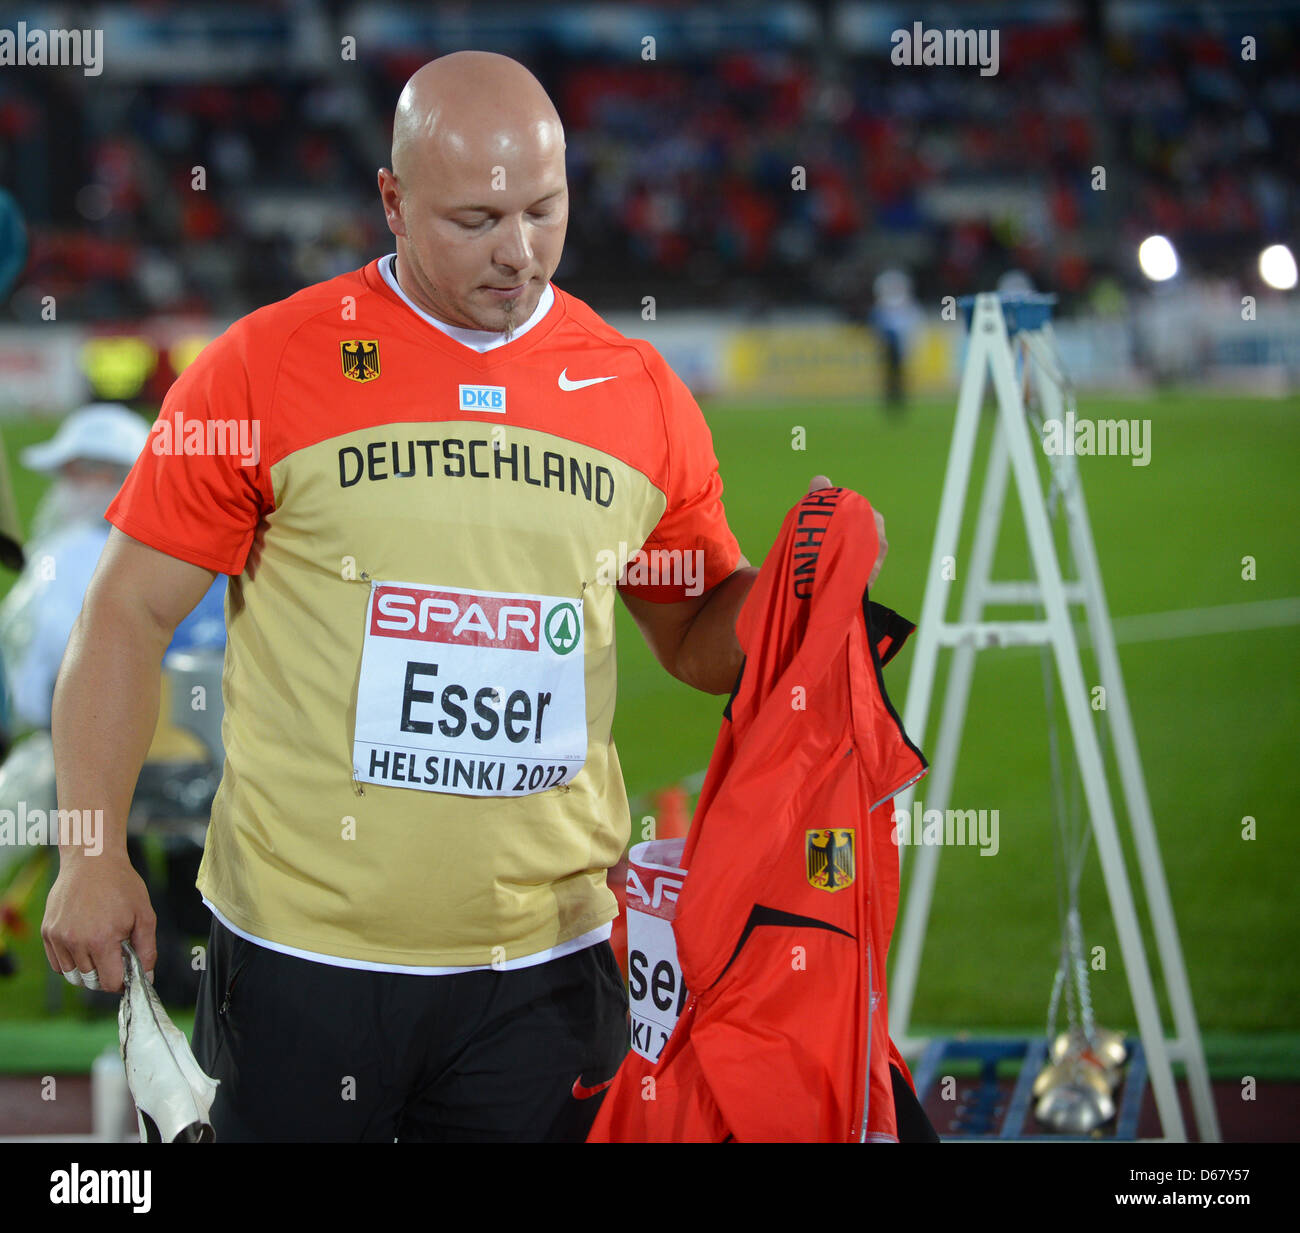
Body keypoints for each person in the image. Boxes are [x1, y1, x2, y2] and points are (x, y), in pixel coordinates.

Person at [41, 52, 883, 1142]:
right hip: (302, 960)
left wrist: (802, 605)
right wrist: (89, 851)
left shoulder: (637, 395)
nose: (518, 252)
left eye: (544, 210)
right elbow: (126, 614)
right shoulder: (263, 368)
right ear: (392, 201)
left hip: (546, 968)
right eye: (476, 219)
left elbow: (692, 631)